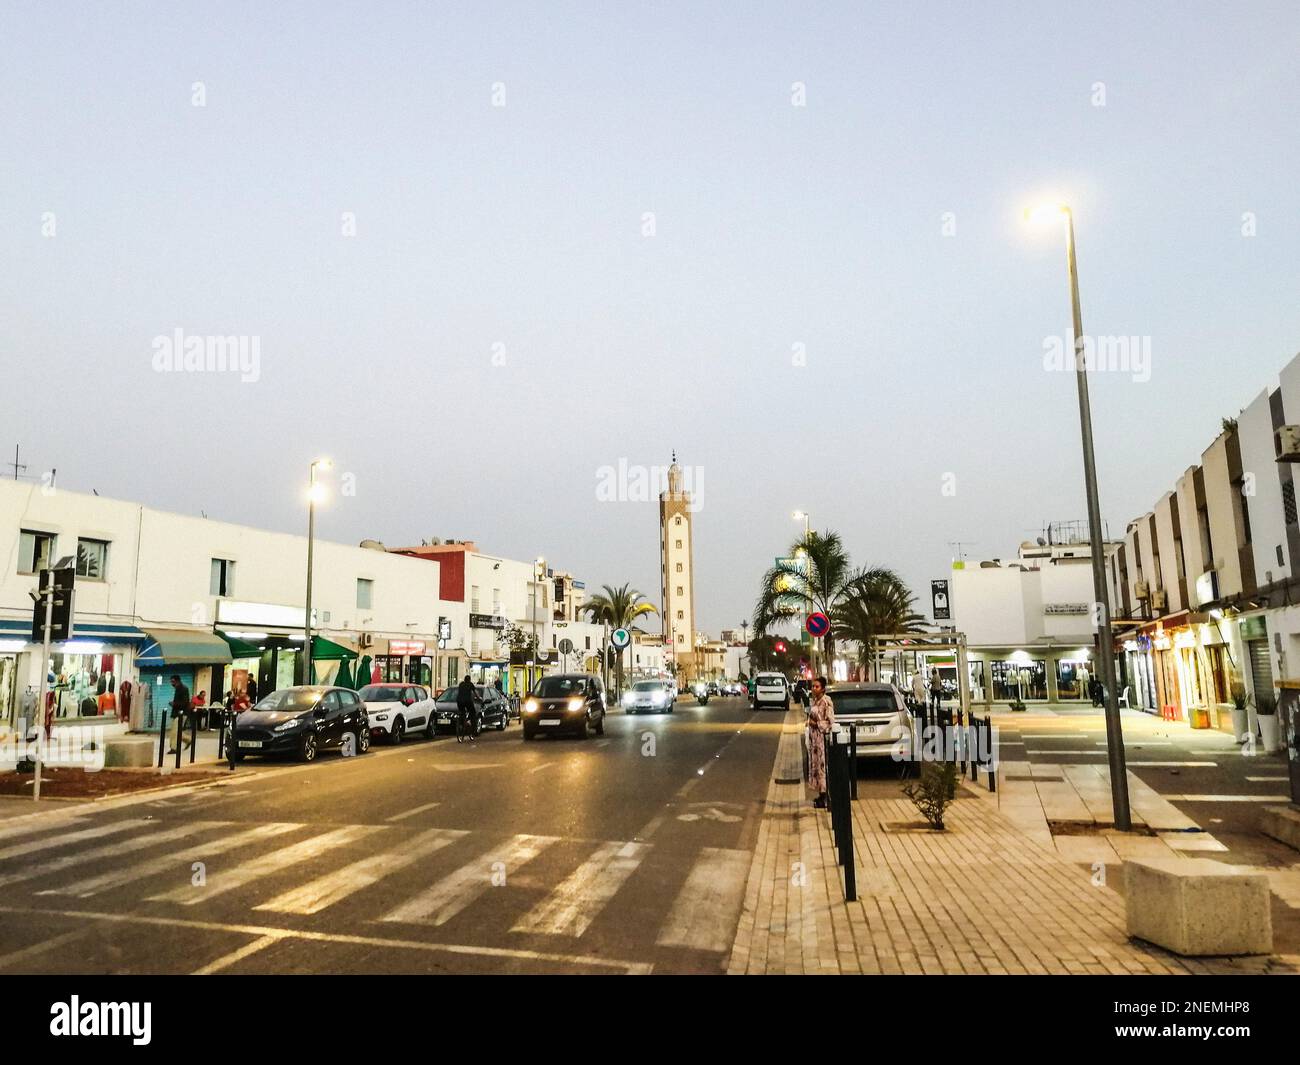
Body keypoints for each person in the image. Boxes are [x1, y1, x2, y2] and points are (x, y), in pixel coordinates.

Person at [806, 676, 835, 809]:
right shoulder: (815, 701)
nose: (814, 689)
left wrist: (815, 723)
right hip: (814, 741)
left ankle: (825, 797)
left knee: (822, 768)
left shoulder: (826, 702)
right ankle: (820, 794)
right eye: (813, 686)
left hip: (821, 740)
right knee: (816, 767)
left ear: (823, 688)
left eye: (817, 686)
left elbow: (830, 722)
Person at [167, 674, 191, 754]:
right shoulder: (178, 689)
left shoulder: (183, 689)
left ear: (177, 681)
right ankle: (188, 740)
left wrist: (174, 704)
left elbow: (185, 702)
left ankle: (174, 748)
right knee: (176, 731)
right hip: (177, 713)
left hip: (181, 713)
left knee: (175, 731)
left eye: (173, 681)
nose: (172, 683)